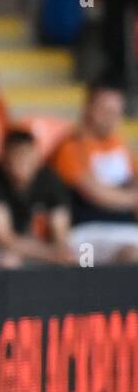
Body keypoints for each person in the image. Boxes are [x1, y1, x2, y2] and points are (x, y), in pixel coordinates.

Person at [51, 83, 138, 262]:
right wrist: (132, 198)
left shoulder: (119, 145)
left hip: (127, 229)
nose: (111, 117)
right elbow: (96, 193)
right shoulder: (72, 147)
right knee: (132, 254)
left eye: (116, 112)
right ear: (88, 108)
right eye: (105, 110)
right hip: (87, 232)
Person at [0, 129, 75, 265]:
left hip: (35, 246)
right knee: (9, 260)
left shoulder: (50, 179)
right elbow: (3, 237)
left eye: (27, 154)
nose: (23, 161)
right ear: (5, 158)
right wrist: (50, 254)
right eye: (17, 155)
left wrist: (61, 251)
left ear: (37, 156)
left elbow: (60, 227)